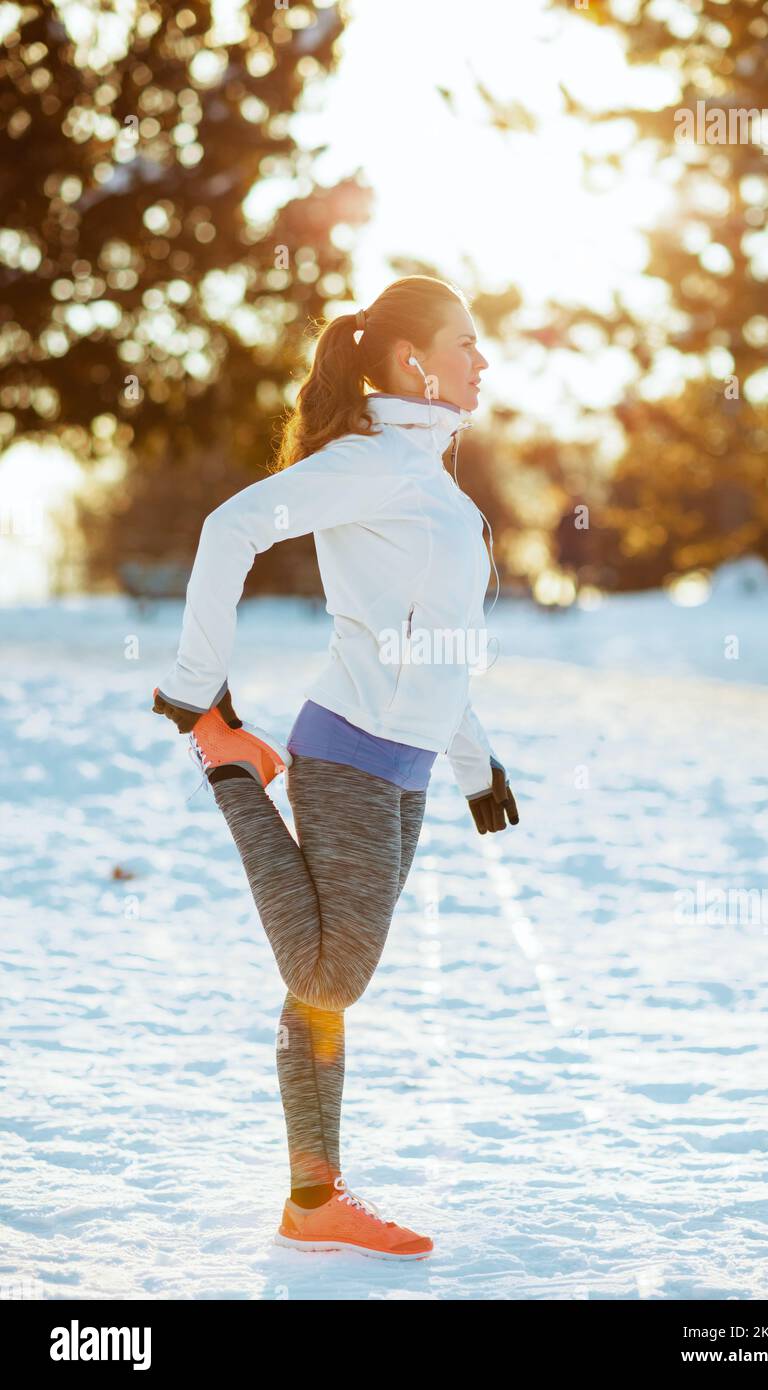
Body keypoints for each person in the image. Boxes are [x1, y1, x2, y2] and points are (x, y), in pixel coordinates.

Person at [151, 274, 519, 1260]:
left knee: (318, 987)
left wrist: (475, 763)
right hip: (351, 748)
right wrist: (199, 691)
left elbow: (439, 643)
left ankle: (312, 1196)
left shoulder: (428, 474)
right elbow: (229, 527)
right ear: (411, 360)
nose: (482, 361)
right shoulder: (371, 462)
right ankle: (228, 767)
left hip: (405, 766)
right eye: (465, 343)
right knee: (328, 972)